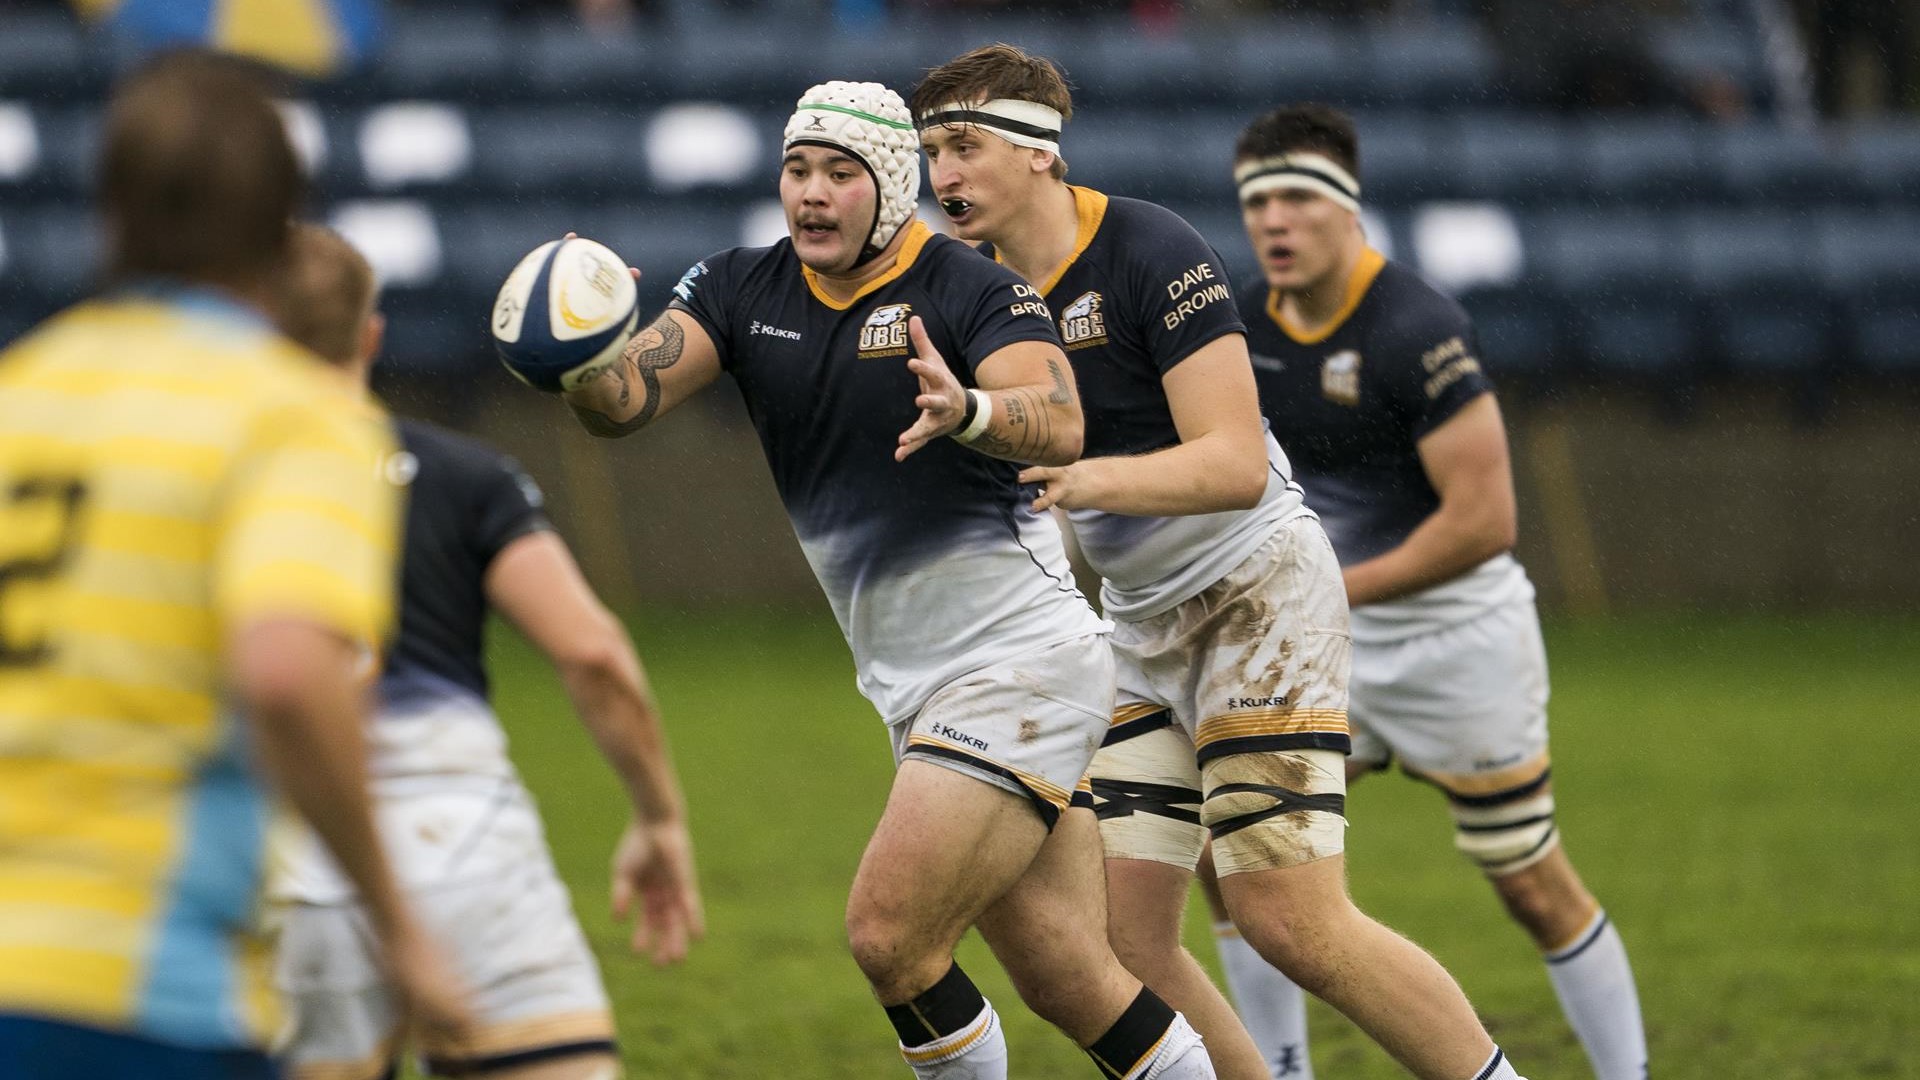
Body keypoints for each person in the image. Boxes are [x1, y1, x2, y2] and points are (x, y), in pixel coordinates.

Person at [519, 80, 1216, 1079]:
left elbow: (1059, 418)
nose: (811, 193)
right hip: (919, 685)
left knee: (889, 936)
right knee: (1069, 974)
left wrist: (969, 409)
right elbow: (623, 404)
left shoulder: (972, 288)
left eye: (841, 174)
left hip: (1020, 669)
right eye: (797, 170)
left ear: (890, 186)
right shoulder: (736, 288)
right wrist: (582, 354)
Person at [910, 45, 1533, 1080]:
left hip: (1259, 599)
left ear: (1037, 156)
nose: (944, 176)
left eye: (964, 147)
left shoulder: (1152, 248)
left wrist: (1083, 481)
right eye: (932, 151)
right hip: (1142, 630)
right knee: (1123, 940)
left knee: (1292, 921)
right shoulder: (968, 294)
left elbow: (1237, 466)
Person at [0, 49, 466, 1078]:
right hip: (138, 986)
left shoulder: (19, 390)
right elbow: (289, 670)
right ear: (278, 216)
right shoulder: (289, 413)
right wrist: (399, 923)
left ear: (111, 206)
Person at [1211, 102, 1648, 1080]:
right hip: (1330, 645)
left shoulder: (1417, 328)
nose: (1273, 221)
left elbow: (1484, 520)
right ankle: (1282, 1072)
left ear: (1347, 206)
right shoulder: (1240, 326)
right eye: (1256, 202)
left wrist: (1326, 587)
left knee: (1531, 881)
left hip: (1457, 640)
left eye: (1295, 198)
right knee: (1234, 855)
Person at [267, 224, 704, 1080]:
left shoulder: (206, 486)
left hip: (292, 860)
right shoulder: (462, 476)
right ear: (369, 337)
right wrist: (658, 816)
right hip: (464, 846)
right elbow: (594, 657)